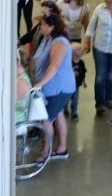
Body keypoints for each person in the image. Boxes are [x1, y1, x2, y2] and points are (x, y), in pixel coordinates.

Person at [32, 14, 77, 163]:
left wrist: (40, 83)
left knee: (46, 120)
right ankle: (62, 149)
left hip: (59, 88)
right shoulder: (49, 39)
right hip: (56, 87)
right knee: (58, 115)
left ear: (51, 27)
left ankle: (45, 153)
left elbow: (55, 66)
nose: (40, 27)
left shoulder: (59, 43)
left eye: (43, 25)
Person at [65, 42, 87, 120]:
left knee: (75, 100)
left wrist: (84, 81)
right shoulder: (68, 63)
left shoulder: (81, 62)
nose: (82, 50)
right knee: (66, 100)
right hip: (67, 86)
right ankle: (65, 111)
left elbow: (83, 73)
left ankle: (74, 112)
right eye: (79, 49)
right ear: (72, 53)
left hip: (76, 86)